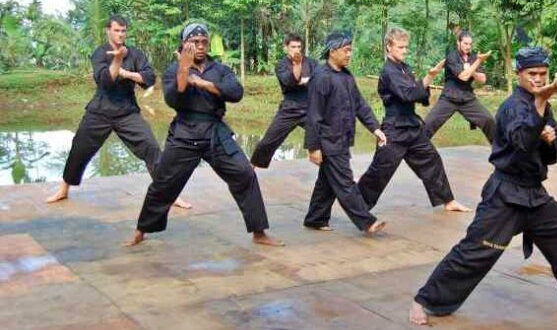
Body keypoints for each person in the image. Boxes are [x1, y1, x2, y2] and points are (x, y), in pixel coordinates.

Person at [410, 47, 557, 326]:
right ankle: (425, 301)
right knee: (477, 250)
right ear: (519, 74)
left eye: (543, 74)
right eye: (532, 74)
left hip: (534, 194)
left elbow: (556, 152)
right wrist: (540, 111)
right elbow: (520, 143)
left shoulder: (543, 104)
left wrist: (549, 139)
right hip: (505, 195)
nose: (538, 79)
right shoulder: (511, 106)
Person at [126, 23, 281, 247]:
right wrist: (183, 70)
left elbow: (236, 93)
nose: (200, 46)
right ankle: (141, 231)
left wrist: (204, 83)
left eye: (203, 42)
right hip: (184, 133)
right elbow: (173, 99)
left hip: (215, 133)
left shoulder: (220, 70)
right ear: (184, 44)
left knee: (244, 173)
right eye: (194, 42)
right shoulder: (173, 70)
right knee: (163, 182)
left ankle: (259, 233)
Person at [46, 15, 190, 208]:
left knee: (151, 147)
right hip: (99, 111)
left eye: (123, 31)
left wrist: (126, 73)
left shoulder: (136, 54)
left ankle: (169, 194)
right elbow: (105, 80)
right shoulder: (99, 53)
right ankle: (63, 189)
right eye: (116, 30)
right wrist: (117, 61)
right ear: (108, 31)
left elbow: (149, 78)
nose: (120, 34)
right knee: (79, 148)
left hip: (126, 112)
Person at [357, 28, 470, 213]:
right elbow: (408, 94)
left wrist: (424, 83)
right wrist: (429, 77)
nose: (404, 51)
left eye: (406, 47)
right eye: (400, 47)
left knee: (432, 160)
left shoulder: (404, 68)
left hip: (412, 127)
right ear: (389, 46)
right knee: (380, 171)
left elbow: (419, 94)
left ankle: (448, 201)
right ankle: (357, 206)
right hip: (394, 130)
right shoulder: (388, 71)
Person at [303, 32, 387, 233]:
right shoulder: (321, 78)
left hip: (342, 139)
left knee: (327, 183)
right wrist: (313, 147)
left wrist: (375, 128)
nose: (350, 54)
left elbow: (360, 105)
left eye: (351, 50)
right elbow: (313, 115)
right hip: (328, 141)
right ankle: (366, 221)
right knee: (345, 182)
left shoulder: (346, 76)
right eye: (346, 50)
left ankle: (315, 218)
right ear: (332, 51)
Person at [250, 34, 318, 168]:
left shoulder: (311, 62)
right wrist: (299, 70)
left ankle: (338, 176)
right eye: (293, 47)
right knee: (267, 142)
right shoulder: (281, 65)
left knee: (328, 139)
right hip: (289, 108)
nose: (297, 50)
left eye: (299, 46)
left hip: (310, 108)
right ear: (286, 47)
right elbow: (289, 82)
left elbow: (321, 81)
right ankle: (248, 171)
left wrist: (305, 81)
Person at [423, 30, 495, 144]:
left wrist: (472, 69)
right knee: (429, 124)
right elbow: (463, 76)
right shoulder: (451, 56)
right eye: (465, 43)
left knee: (489, 120)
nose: (468, 46)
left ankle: (501, 152)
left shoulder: (473, 57)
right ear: (458, 43)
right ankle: (416, 148)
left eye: (470, 44)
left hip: (468, 99)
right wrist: (478, 61)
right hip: (449, 98)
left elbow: (483, 79)